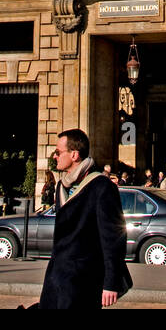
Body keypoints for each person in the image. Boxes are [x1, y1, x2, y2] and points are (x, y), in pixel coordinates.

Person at [36, 128, 133, 309]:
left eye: (58, 152)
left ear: (74, 155)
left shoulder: (101, 187)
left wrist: (111, 282)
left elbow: (113, 237)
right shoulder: (61, 186)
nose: (54, 157)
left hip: (83, 279)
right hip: (57, 278)